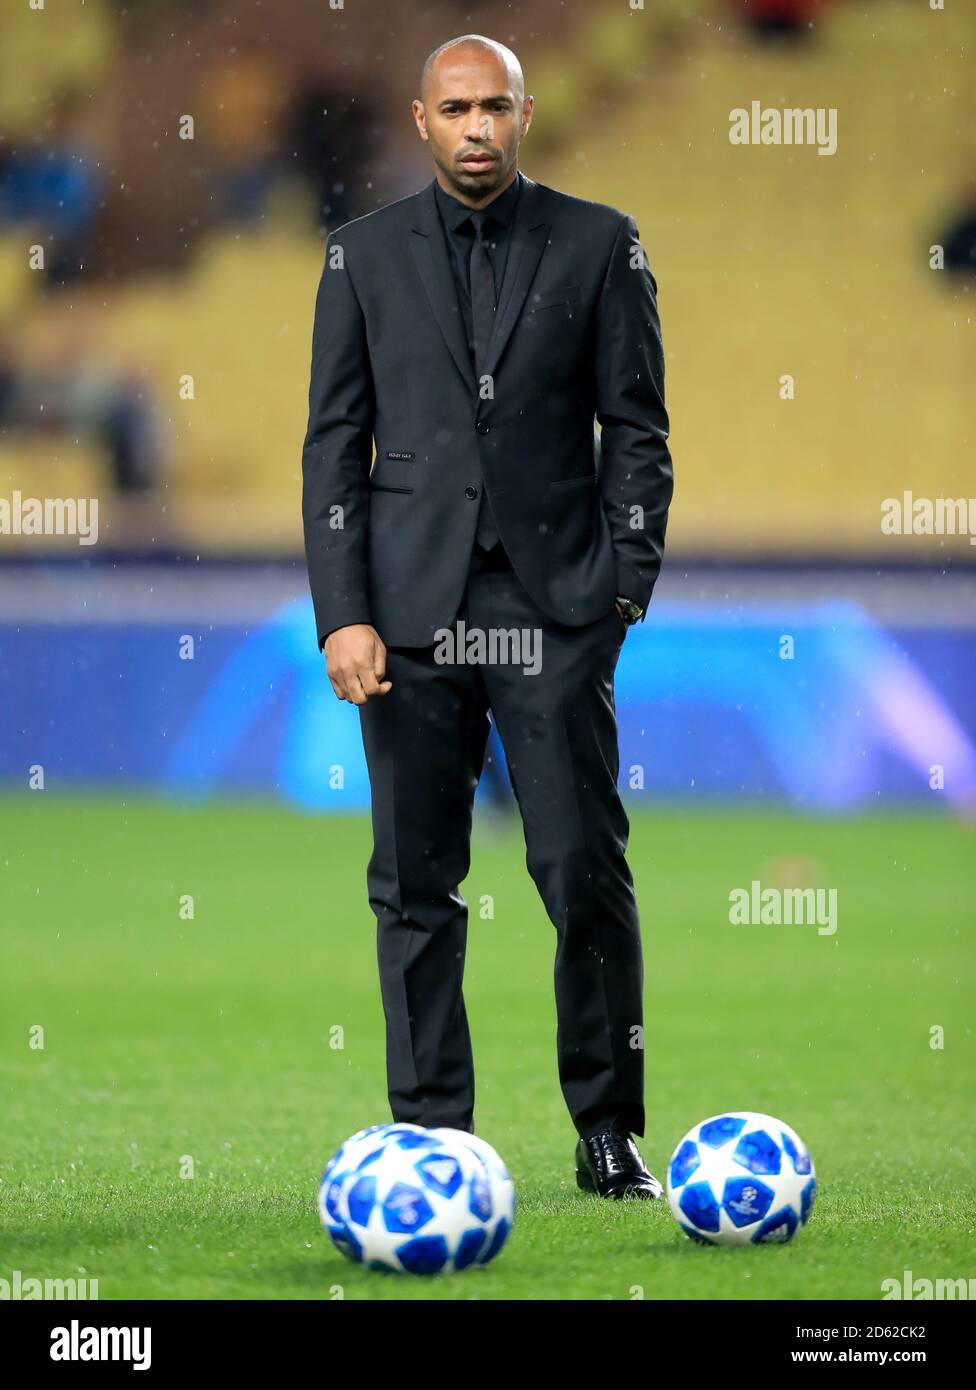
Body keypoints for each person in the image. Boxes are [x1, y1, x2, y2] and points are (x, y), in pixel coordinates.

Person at [301, 34, 673, 1199]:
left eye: (495, 107)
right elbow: (332, 447)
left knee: (582, 871)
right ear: (419, 121)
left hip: (555, 606)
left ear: (525, 114)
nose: (476, 127)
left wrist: (619, 592)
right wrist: (342, 613)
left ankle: (607, 1128)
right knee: (414, 884)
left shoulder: (599, 242)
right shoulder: (359, 257)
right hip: (406, 615)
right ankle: (431, 1137)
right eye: (455, 108)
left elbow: (639, 429)